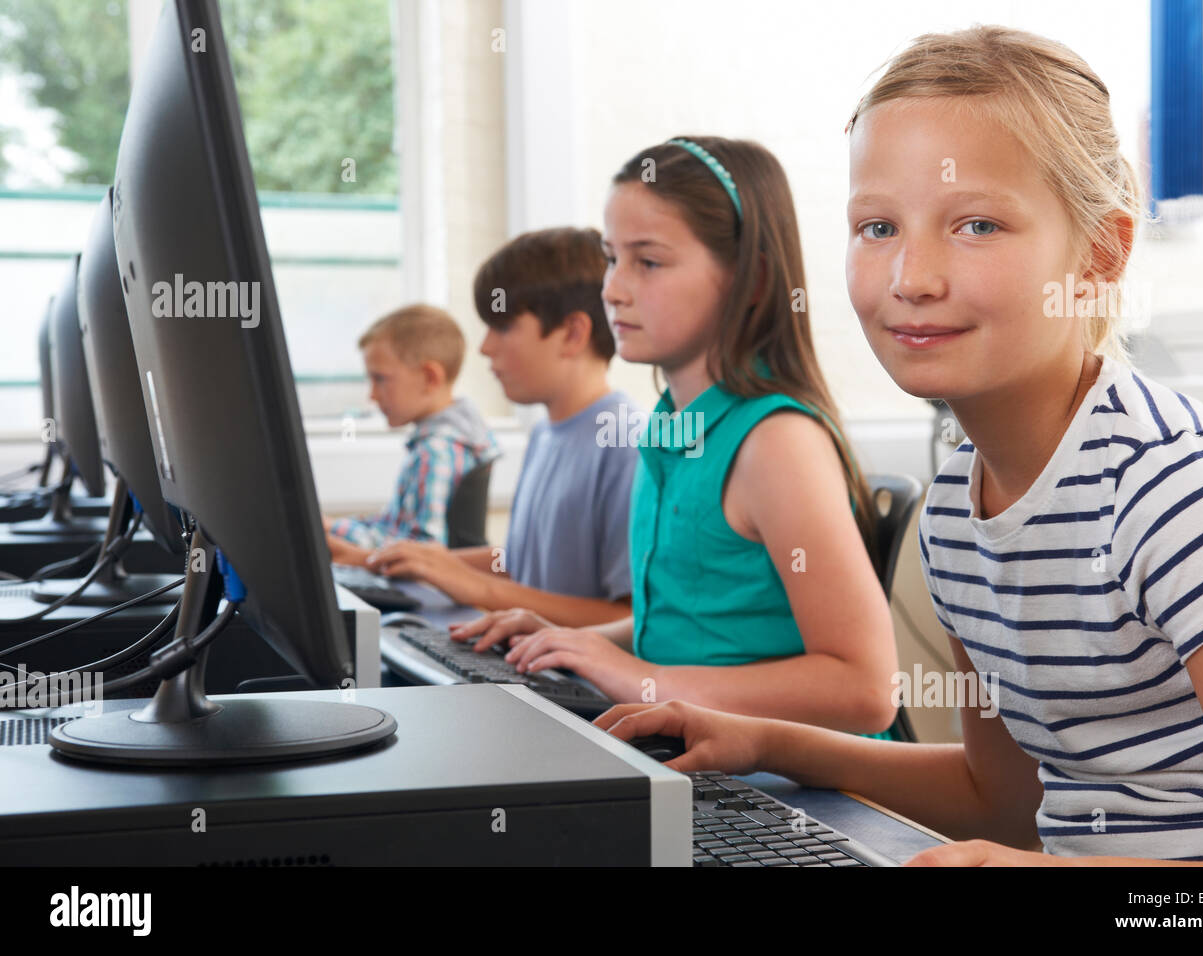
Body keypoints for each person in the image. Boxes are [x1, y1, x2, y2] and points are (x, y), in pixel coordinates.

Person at [596, 26, 1203, 865]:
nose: (911, 279)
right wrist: (768, 743)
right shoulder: (958, 514)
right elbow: (998, 801)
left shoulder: (1186, 495)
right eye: (878, 227)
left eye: (975, 225)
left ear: (1102, 253)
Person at [446, 136, 901, 737]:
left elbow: (867, 691)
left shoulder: (775, 442)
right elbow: (685, 624)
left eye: (648, 261)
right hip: (703, 757)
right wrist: (576, 642)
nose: (612, 287)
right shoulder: (669, 424)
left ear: (751, 280)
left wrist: (641, 678)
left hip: (796, 798)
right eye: (612, 257)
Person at [365, 228, 640, 628]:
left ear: (573, 334)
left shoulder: (625, 444)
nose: (484, 347)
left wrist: (481, 591)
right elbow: (525, 564)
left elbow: (628, 617)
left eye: (503, 327)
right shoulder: (546, 433)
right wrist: (430, 562)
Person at [325, 304, 499, 564]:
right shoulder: (452, 438)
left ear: (429, 377)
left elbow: (422, 553)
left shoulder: (437, 451)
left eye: (380, 379)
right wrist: (332, 528)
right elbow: (392, 528)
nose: (371, 395)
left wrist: (344, 547)